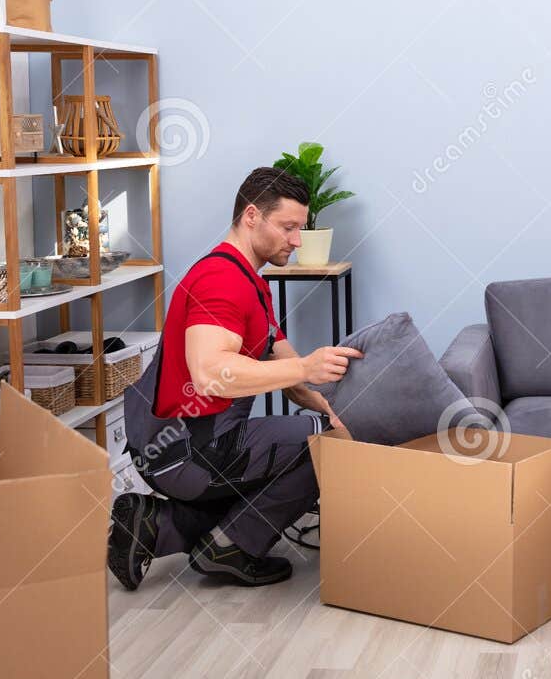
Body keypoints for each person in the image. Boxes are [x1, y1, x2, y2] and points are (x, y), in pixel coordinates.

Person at [107, 167, 361, 590]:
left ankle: (154, 525)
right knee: (321, 445)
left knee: (324, 430)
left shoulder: (251, 282)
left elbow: (292, 374)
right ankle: (233, 548)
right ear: (251, 217)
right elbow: (209, 373)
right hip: (181, 450)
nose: (297, 240)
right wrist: (306, 373)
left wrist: (336, 409)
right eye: (289, 227)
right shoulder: (220, 281)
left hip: (196, 442)